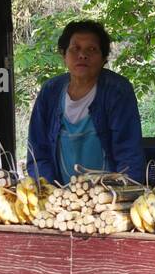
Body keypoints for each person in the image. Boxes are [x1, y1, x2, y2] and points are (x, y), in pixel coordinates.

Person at [26, 20, 145, 185]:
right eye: (75, 49)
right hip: (60, 198)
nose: (82, 55)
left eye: (92, 49)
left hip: (109, 198)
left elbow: (129, 153)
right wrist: (48, 192)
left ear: (104, 58)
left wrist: (125, 194)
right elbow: (37, 152)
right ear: (64, 55)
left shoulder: (117, 91)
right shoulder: (50, 91)